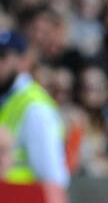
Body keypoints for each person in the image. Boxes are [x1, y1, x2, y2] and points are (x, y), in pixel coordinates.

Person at [0, 30, 69, 186]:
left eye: (2, 57)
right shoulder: (6, 99)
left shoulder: (35, 108)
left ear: (23, 61)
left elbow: (51, 177)